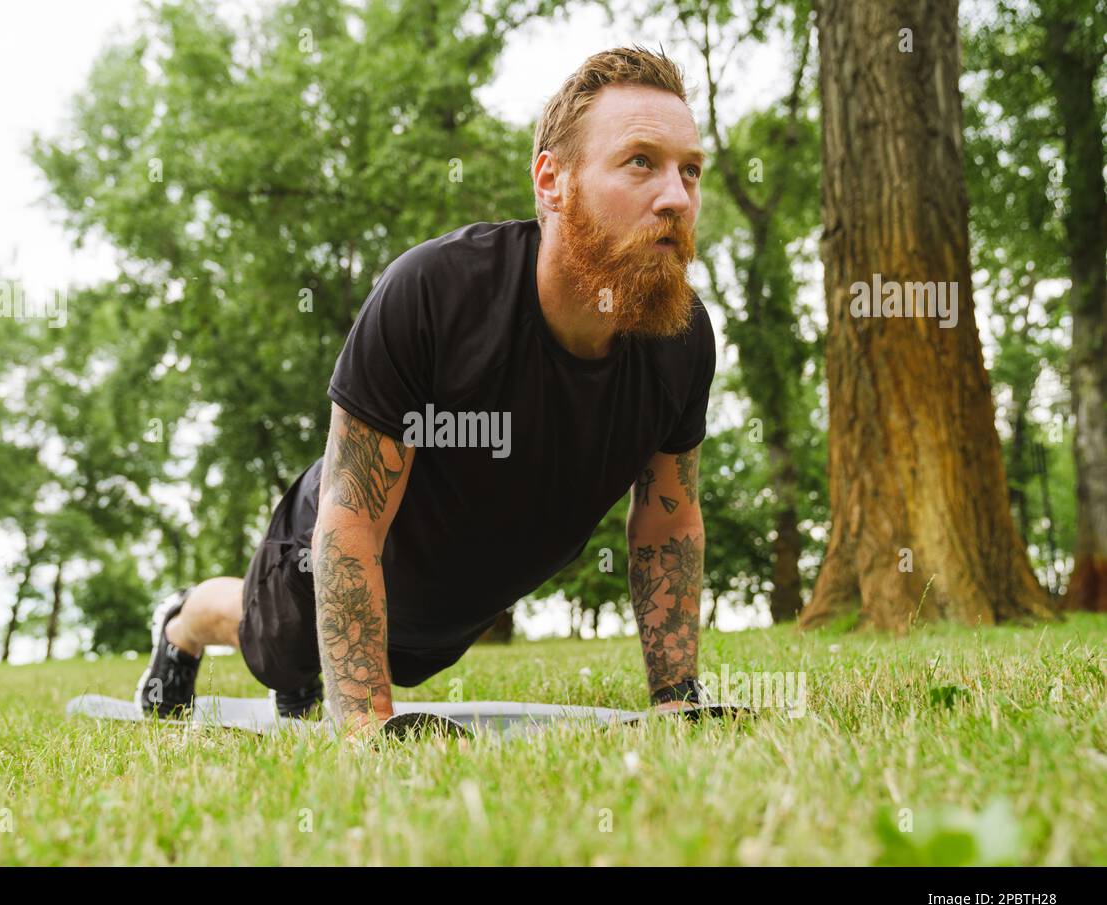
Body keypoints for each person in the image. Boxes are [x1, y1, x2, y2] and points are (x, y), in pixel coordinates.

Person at [135, 44, 717, 740]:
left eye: (690, 171)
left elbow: (667, 524)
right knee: (275, 647)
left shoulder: (681, 338)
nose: (676, 197)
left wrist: (676, 698)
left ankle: (321, 667)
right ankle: (183, 620)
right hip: (332, 548)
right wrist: (366, 727)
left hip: (447, 608)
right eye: (641, 162)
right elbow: (349, 523)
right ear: (552, 180)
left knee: (408, 656)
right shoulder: (436, 294)